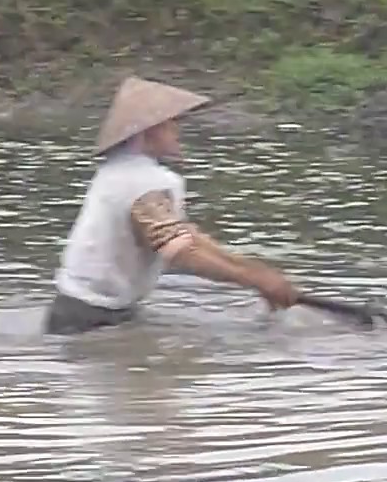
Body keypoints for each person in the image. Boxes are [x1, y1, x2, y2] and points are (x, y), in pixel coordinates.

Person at [45, 76, 301, 334]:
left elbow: (187, 237)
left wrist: (255, 272)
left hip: (86, 307)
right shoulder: (142, 181)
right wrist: (255, 280)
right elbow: (180, 252)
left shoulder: (119, 171)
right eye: (171, 124)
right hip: (91, 317)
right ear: (149, 131)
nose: (177, 131)